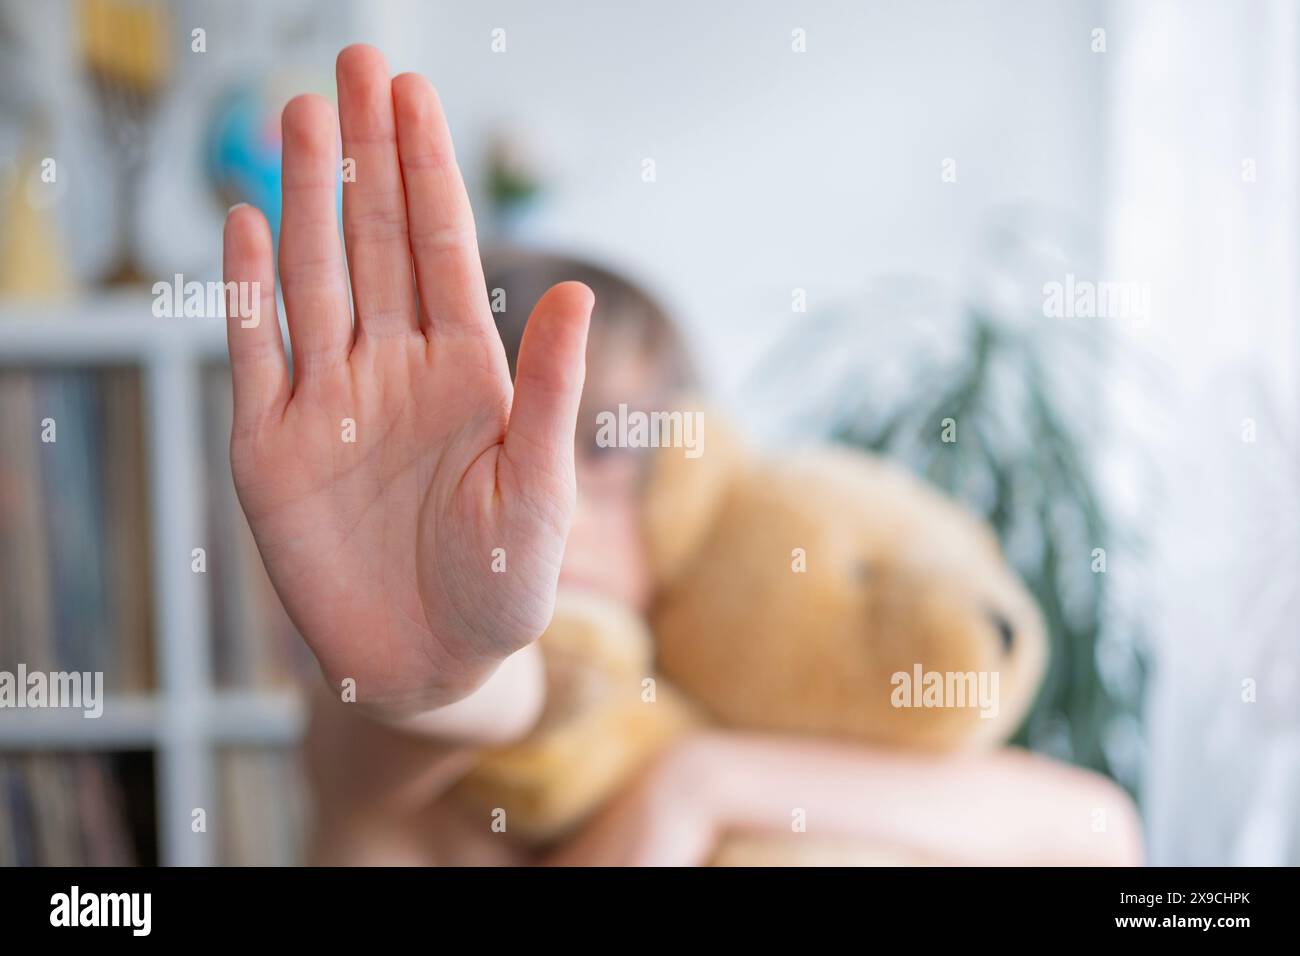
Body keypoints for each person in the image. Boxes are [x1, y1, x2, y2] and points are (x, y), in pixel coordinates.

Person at [222, 44, 1143, 866]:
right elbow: (440, 706)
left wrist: (700, 780)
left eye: (606, 443)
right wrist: (445, 662)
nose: (547, 499)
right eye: (488, 449)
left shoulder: (702, 716)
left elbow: (1094, 829)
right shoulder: (404, 752)